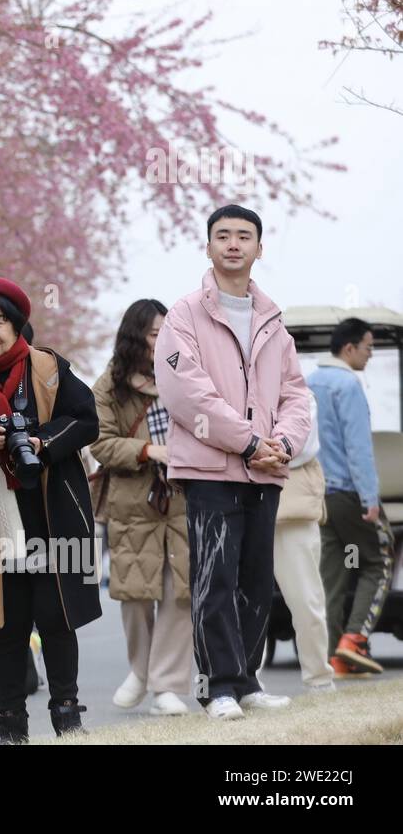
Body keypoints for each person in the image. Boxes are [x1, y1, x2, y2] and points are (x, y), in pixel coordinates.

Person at [153, 204, 310, 721]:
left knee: (257, 580)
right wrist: (246, 440)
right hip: (210, 469)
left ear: (260, 248)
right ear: (208, 246)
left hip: (265, 470)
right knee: (214, 578)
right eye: (223, 236)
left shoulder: (273, 319)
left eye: (245, 236)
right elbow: (186, 392)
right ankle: (217, 686)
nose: (234, 244)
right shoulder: (184, 314)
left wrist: (282, 445)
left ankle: (245, 679)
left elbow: (294, 393)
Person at [0, 277, 100, 743]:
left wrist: (41, 441)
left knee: (56, 618)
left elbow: (86, 420)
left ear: (18, 324)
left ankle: (67, 717)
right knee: (9, 625)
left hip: (48, 512)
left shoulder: (47, 366)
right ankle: (11, 725)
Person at [91, 299, 192, 717]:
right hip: (132, 501)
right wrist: (151, 450)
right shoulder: (109, 385)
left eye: (166, 331)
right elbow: (100, 442)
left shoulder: (187, 375)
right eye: (154, 333)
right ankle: (141, 669)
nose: (161, 340)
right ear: (136, 335)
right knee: (135, 593)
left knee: (179, 592)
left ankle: (166, 685)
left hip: (184, 499)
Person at [308, 317, 393, 677]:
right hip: (349, 493)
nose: (371, 355)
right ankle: (354, 639)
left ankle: (333, 656)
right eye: (369, 348)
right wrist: (370, 498)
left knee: (335, 571)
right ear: (349, 348)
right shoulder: (348, 385)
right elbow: (359, 448)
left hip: (319, 496)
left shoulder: (309, 382)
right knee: (379, 560)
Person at [273, 390, 336, 690]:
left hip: (292, 506)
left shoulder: (301, 393)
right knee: (244, 601)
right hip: (245, 501)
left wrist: (258, 450)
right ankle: (246, 684)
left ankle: (319, 679)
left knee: (307, 599)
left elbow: (304, 447)